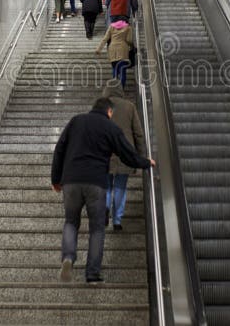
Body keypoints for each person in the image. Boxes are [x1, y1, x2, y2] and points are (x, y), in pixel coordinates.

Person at [51, 97, 154, 284]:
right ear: (109, 112)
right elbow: (127, 154)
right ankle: (92, 274)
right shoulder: (110, 127)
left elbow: (59, 149)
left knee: (71, 222)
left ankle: (68, 257)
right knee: (97, 228)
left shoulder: (76, 121)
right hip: (96, 183)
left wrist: (55, 179)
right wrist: (145, 162)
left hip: (71, 181)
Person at [101, 78, 146, 231]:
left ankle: (105, 209)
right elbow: (138, 133)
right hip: (125, 152)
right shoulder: (129, 106)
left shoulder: (100, 106)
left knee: (105, 186)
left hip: (104, 152)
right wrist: (140, 155)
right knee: (120, 186)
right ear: (120, 90)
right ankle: (117, 221)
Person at [96, 19, 133, 88]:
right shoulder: (128, 27)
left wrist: (99, 49)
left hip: (112, 49)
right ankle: (121, 89)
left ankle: (115, 88)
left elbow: (105, 38)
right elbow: (129, 40)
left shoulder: (111, 26)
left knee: (115, 69)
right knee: (122, 70)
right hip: (123, 49)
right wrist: (131, 46)